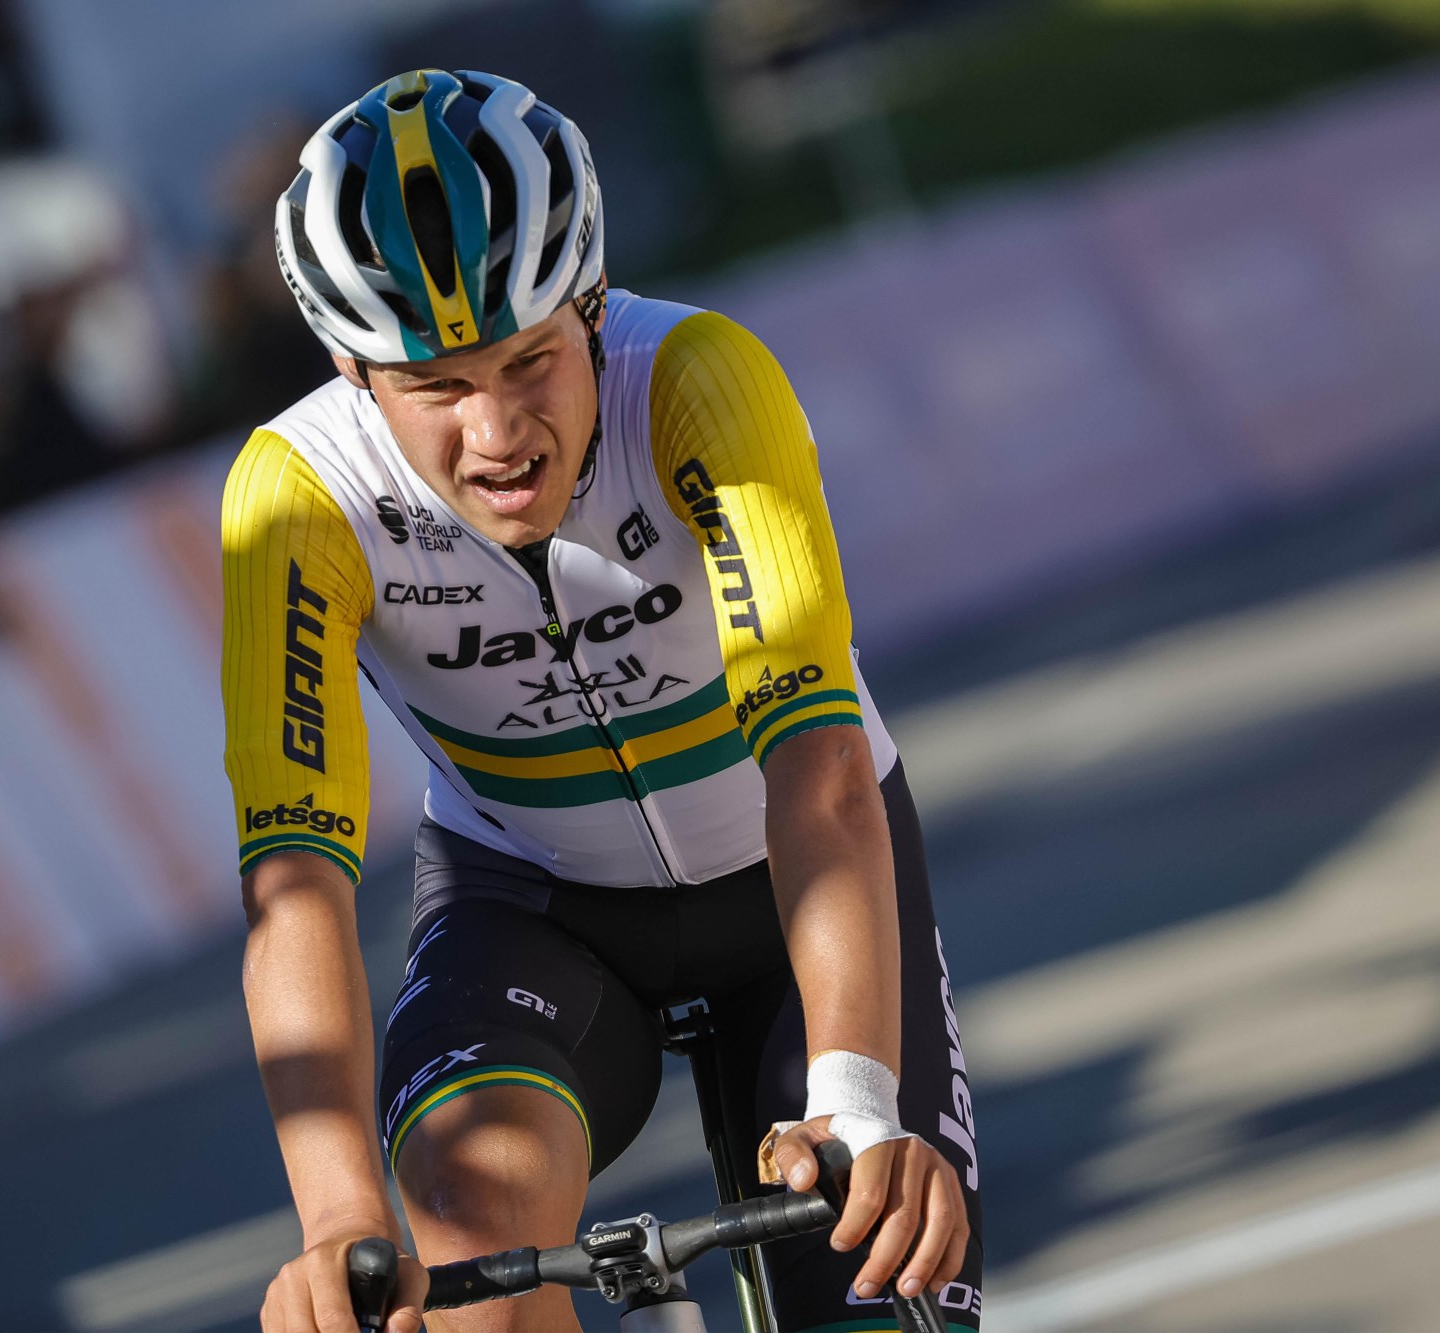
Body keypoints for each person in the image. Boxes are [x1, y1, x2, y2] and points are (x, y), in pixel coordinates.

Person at [222, 69, 983, 1333]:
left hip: (794, 880)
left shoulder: (694, 380)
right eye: (436, 387)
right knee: (467, 1211)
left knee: (869, 1269)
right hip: (533, 909)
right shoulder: (299, 502)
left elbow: (817, 768)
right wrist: (337, 1219)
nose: (496, 429)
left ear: (590, 310)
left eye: (531, 361)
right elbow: (292, 880)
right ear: (356, 376)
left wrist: (854, 1099)